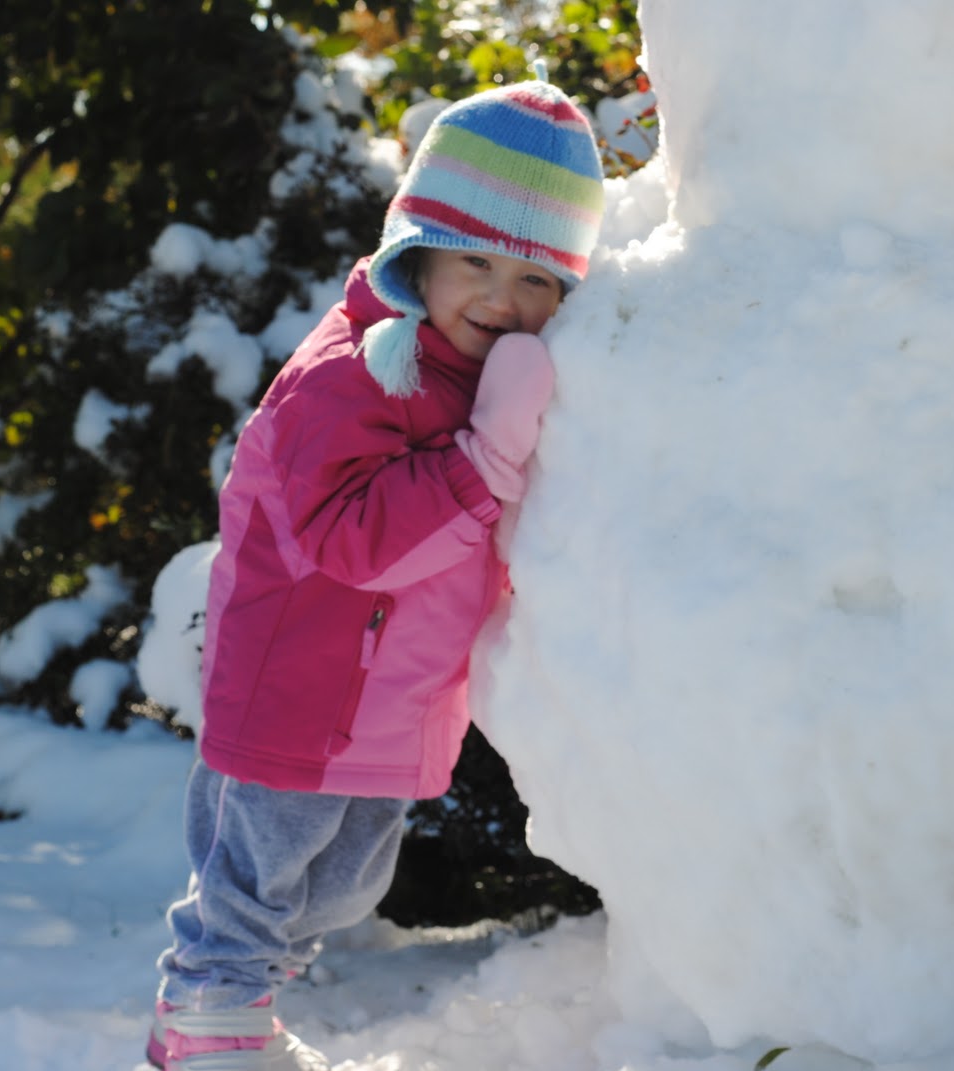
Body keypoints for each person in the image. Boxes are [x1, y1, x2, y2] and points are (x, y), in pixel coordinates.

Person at [144, 71, 606, 1071]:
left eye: (536, 280)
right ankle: (204, 1019)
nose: (502, 297)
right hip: (299, 689)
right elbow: (351, 541)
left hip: (391, 704)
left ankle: (245, 1010)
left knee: (343, 887)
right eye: (475, 261)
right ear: (419, 257)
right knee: (258, 879)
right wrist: (483, 458)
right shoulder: (358, 372)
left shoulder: (470, 375)